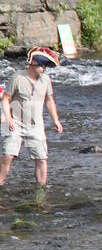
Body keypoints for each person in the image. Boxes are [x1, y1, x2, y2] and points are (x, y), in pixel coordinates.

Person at [0, 46, 63, 188]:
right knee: (7, 156)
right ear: (33, 64)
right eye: (42, 65)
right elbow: (5, 99)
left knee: (41, 159)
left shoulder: (45, 80)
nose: (44, 68)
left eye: (46, 66)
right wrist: (8, 119)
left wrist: (56, 120)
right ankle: (0, 183)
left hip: (36, 126)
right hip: (16, 124)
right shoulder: (18, 77)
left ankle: (41, 189)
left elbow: (49, 100)